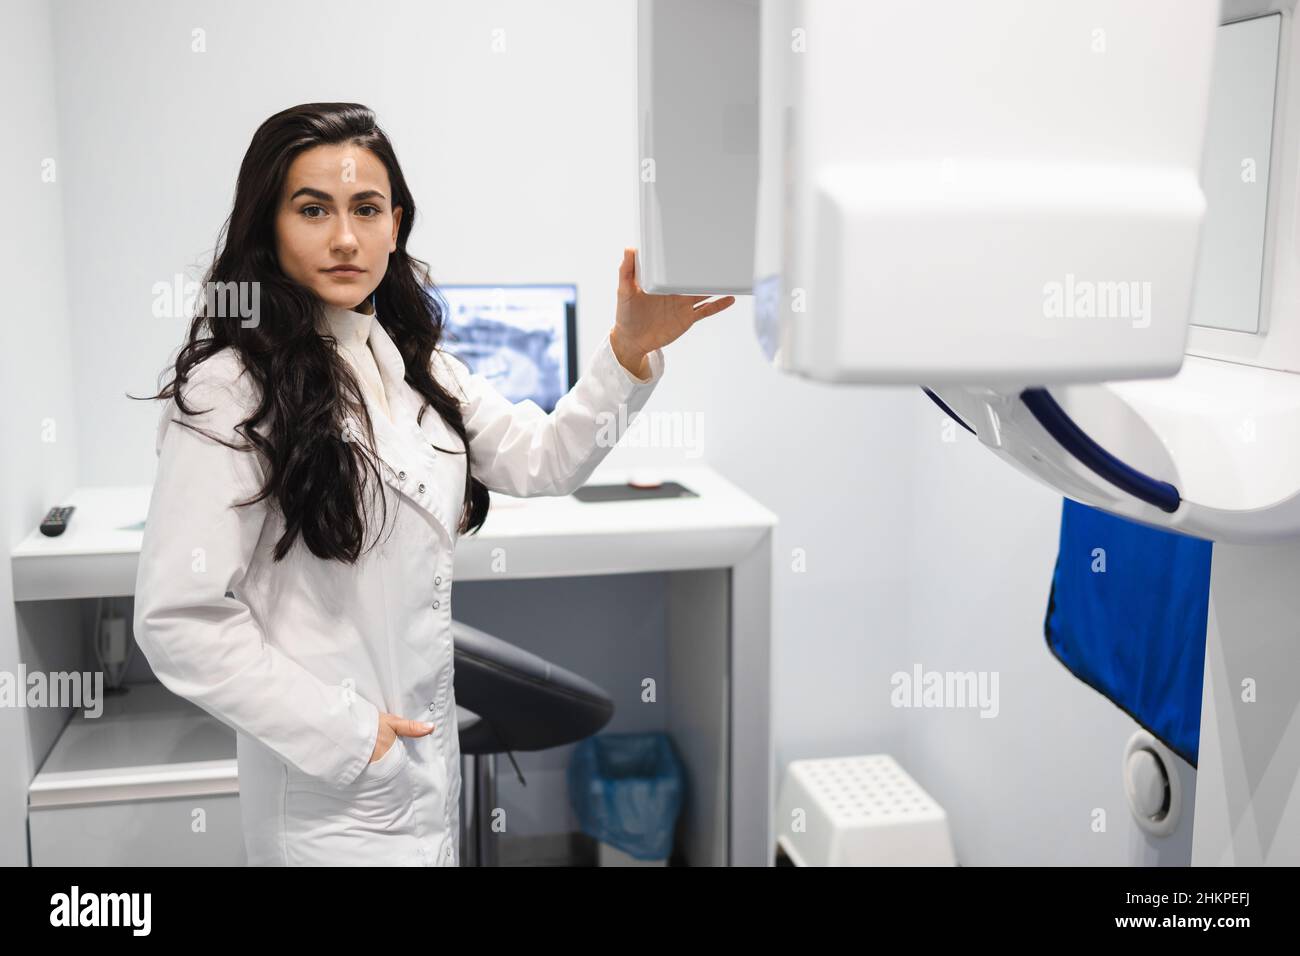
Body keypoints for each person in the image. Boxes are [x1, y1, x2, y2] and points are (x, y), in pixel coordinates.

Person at [131, 102, 735, 866]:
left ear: (397, 223)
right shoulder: (232, 390)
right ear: (268, 225)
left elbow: (542, 458)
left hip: (418, 781)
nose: (345, 237)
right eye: (313, 209)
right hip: (329, 797)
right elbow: (177, 619)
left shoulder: (411, 362)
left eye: (367, 209)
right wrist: (350, 734)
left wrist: (628, 351)